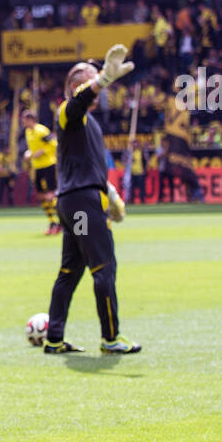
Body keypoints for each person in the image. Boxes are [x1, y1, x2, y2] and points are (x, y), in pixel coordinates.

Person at [43, 45, 141, 355]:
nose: (99, 84)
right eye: (92, 79)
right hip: (83, 203)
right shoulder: (68, 111)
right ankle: (111, 337)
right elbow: (79, 100)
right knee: (104, 267)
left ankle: (54, 339)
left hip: (76, 201)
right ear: (75, 87)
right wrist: (103, 79)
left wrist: (109, 193)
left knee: (69, 273)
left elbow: (89, 164)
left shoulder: (88, 122)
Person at [22, 109, 60, 234]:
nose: (23, 122)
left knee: (50, 195)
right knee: (41, 196)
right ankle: (52, 222)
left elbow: (54, 144)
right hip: (37, 167)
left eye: (24, 119)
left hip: (48, 165)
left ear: (31, 120)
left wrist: (41, 152)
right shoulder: (28, 132)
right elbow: (34, 148)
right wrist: (30, 153)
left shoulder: (41, 131)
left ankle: (62, 221)